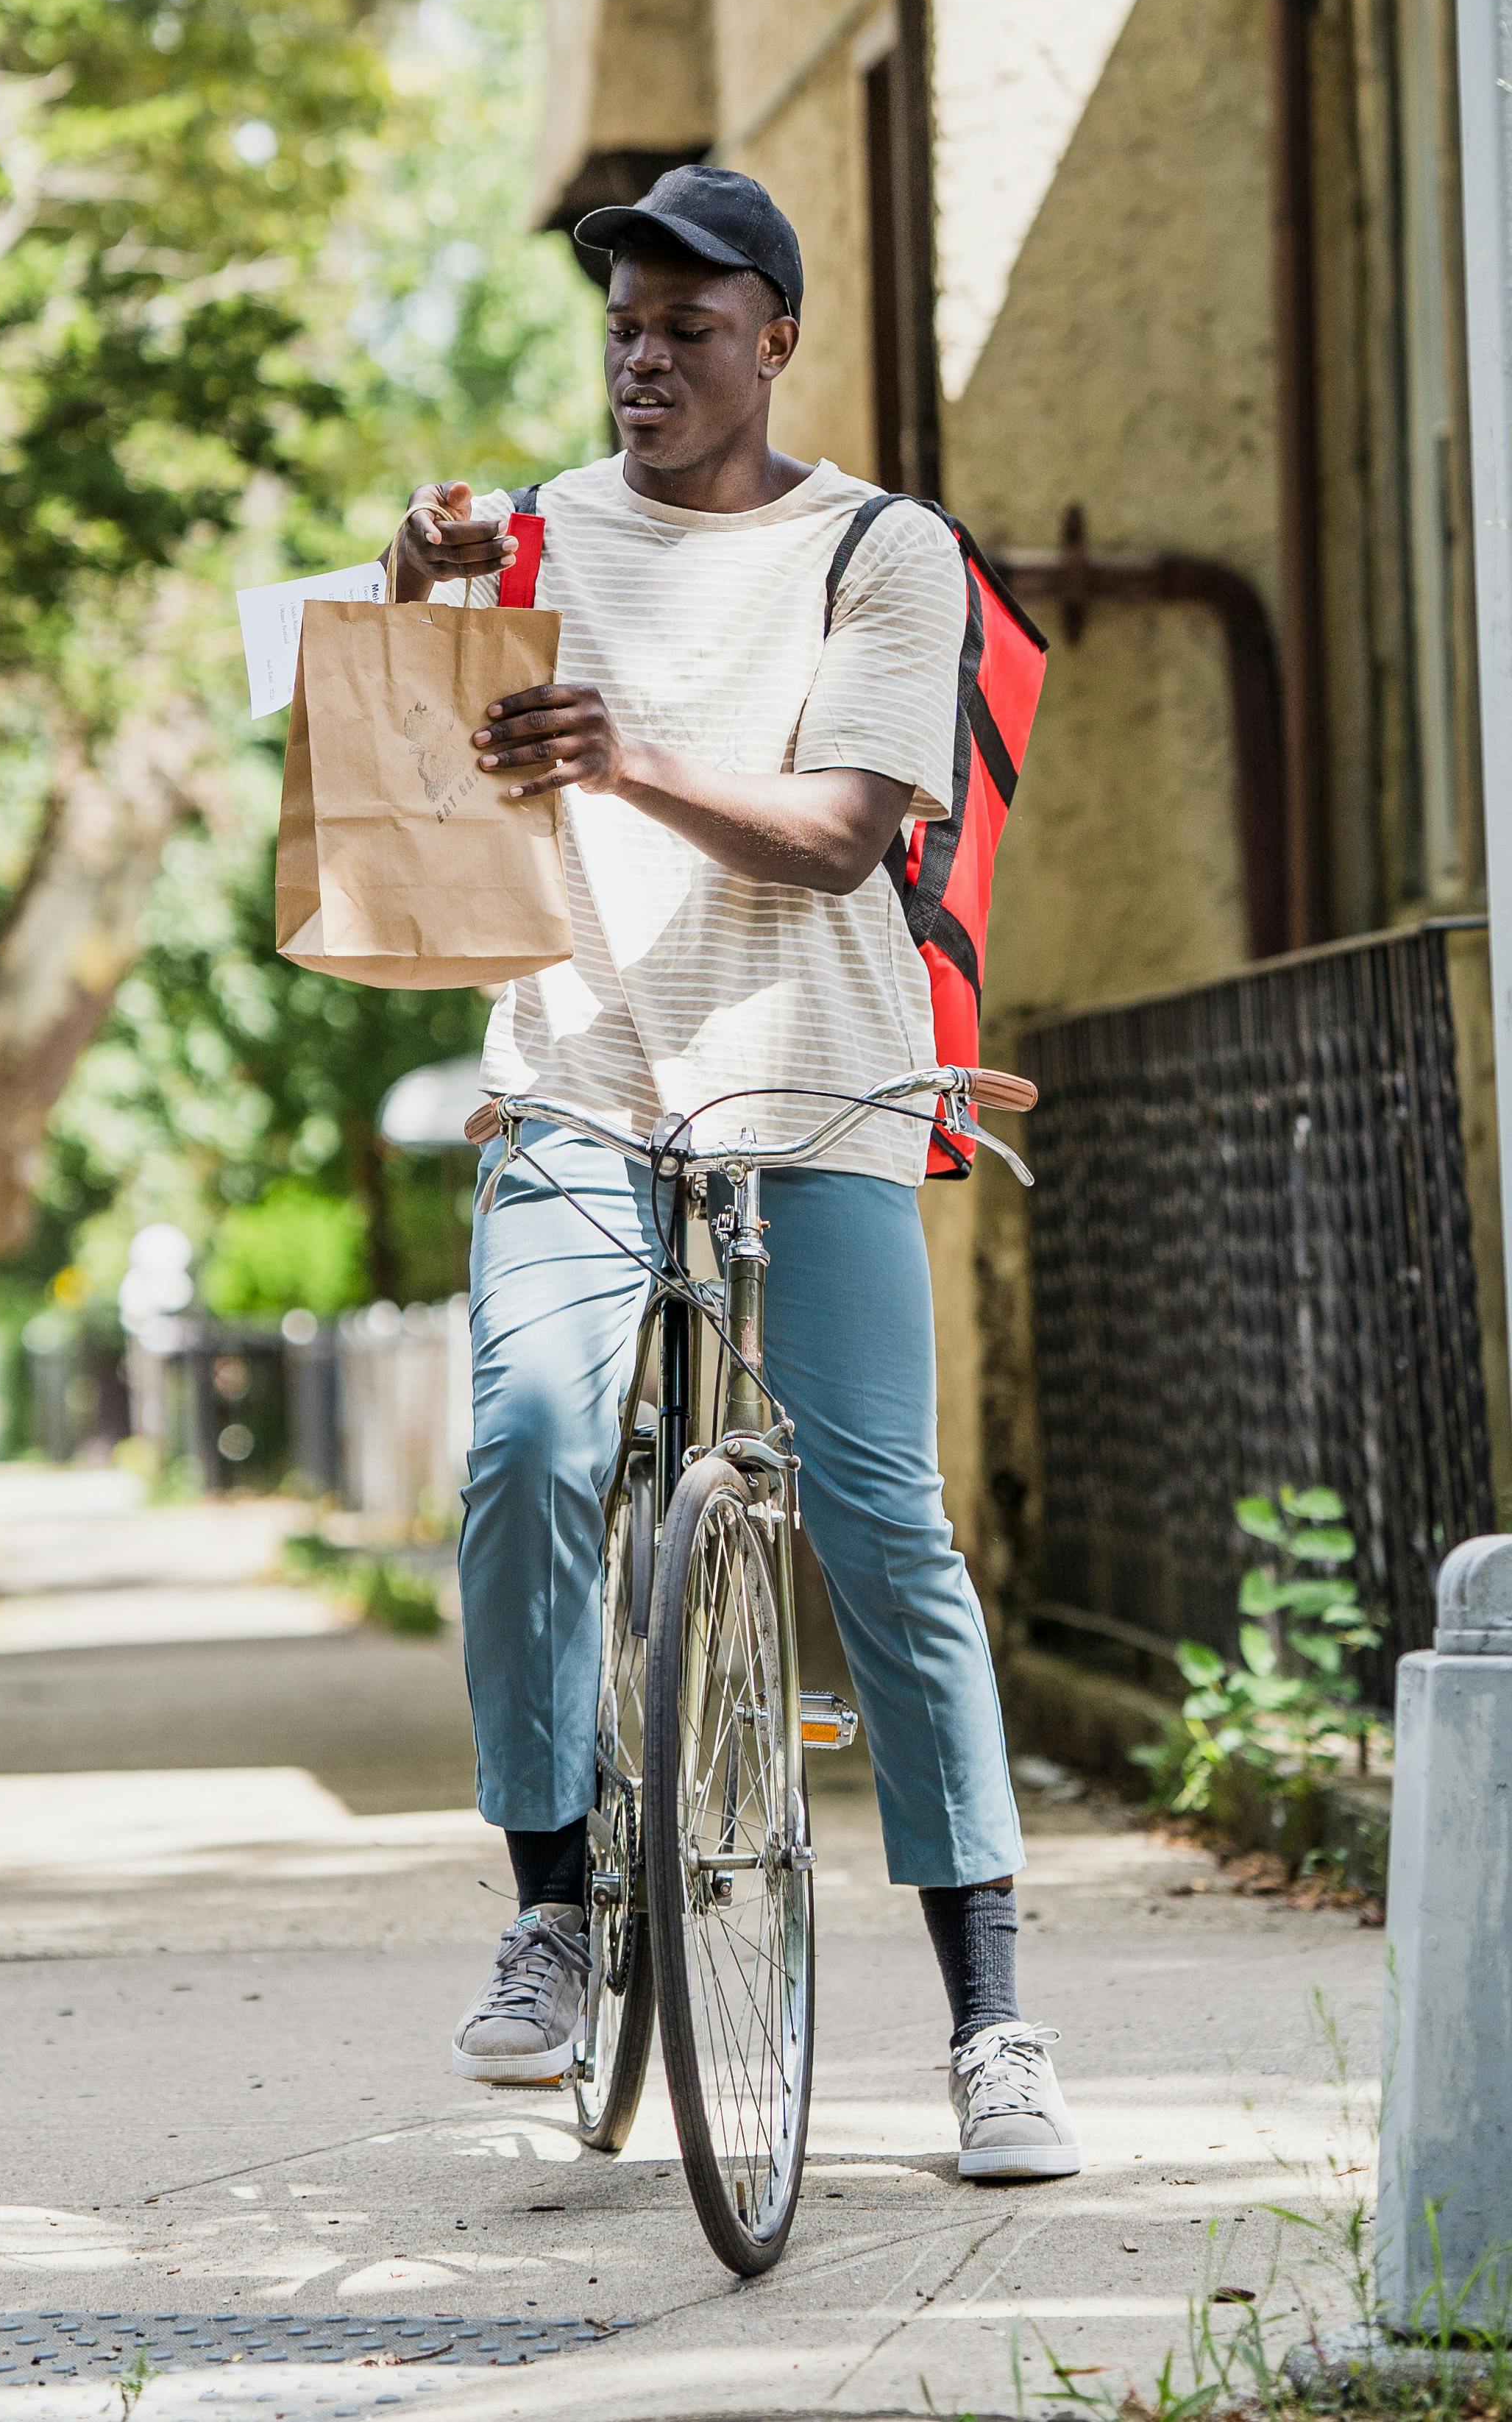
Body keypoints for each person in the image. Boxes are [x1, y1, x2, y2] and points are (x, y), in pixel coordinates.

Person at [383, 163, 1078, 2186]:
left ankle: (993, 2022)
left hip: (825, 1083)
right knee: (520, 1441)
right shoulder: (535, 536)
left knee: (883, 1522)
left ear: (775, 337)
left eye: (690, 326)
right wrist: (420, 577)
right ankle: (547, 1912)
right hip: (581, 1077)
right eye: (623, 326)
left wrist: (622, 757)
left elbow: (845, 834)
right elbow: (399, 734)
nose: (646, 359)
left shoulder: (883, 550)